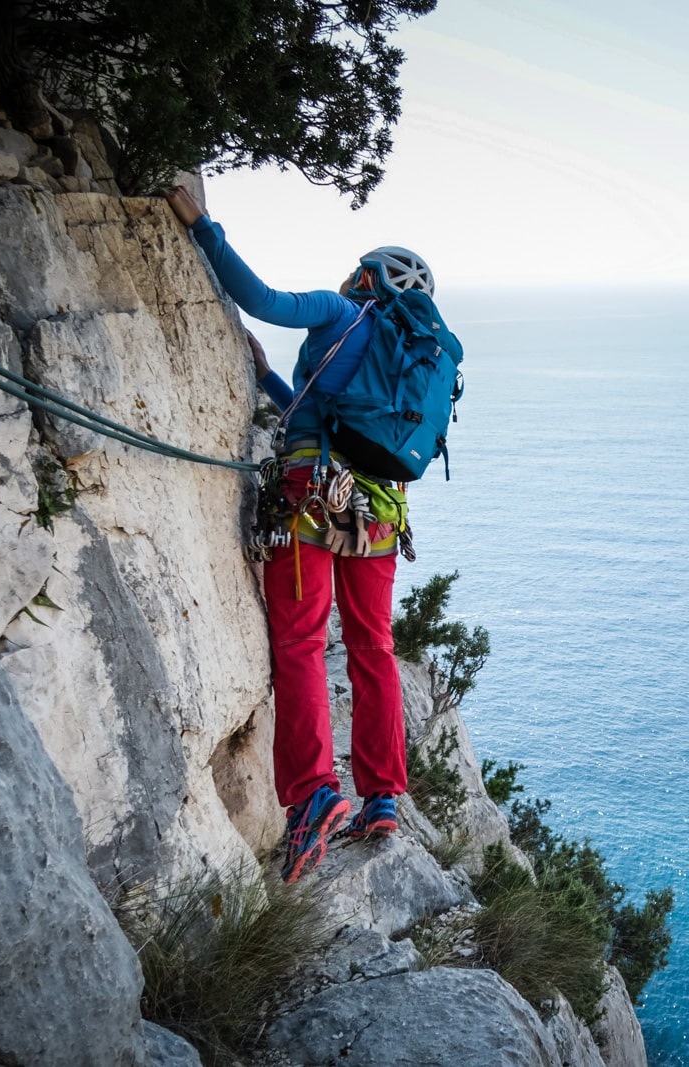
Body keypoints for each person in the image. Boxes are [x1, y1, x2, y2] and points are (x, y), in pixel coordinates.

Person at [164, 186, 431, 882]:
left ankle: (315, 795)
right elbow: (320, 410)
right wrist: (269, 379)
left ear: (366, 276)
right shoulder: (405, 356)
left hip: (310, 501)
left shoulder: (341, 310)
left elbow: (263, 300)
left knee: (302, 643)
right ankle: (381, 800)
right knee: (374, 647)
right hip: (376, 510)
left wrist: (204, 228)